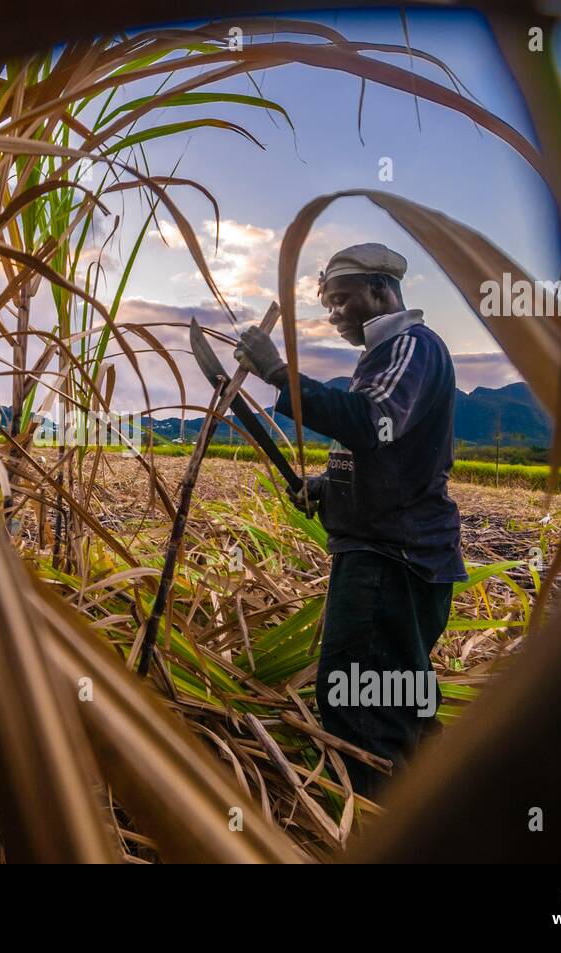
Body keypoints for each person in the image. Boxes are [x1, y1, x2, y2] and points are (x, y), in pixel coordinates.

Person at [234, 242, 467, 798]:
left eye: (342, 300)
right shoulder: (386, 356)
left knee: (359, 705)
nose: (334, 313)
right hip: (394, 555)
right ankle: (438, 812)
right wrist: (326, 488)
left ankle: (375, 824)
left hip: (392, 559)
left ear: (381, 291)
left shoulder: (412, 346)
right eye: (328, 304)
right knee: (396, 701)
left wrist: (277, 372)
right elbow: (385, 454)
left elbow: (371, 422)